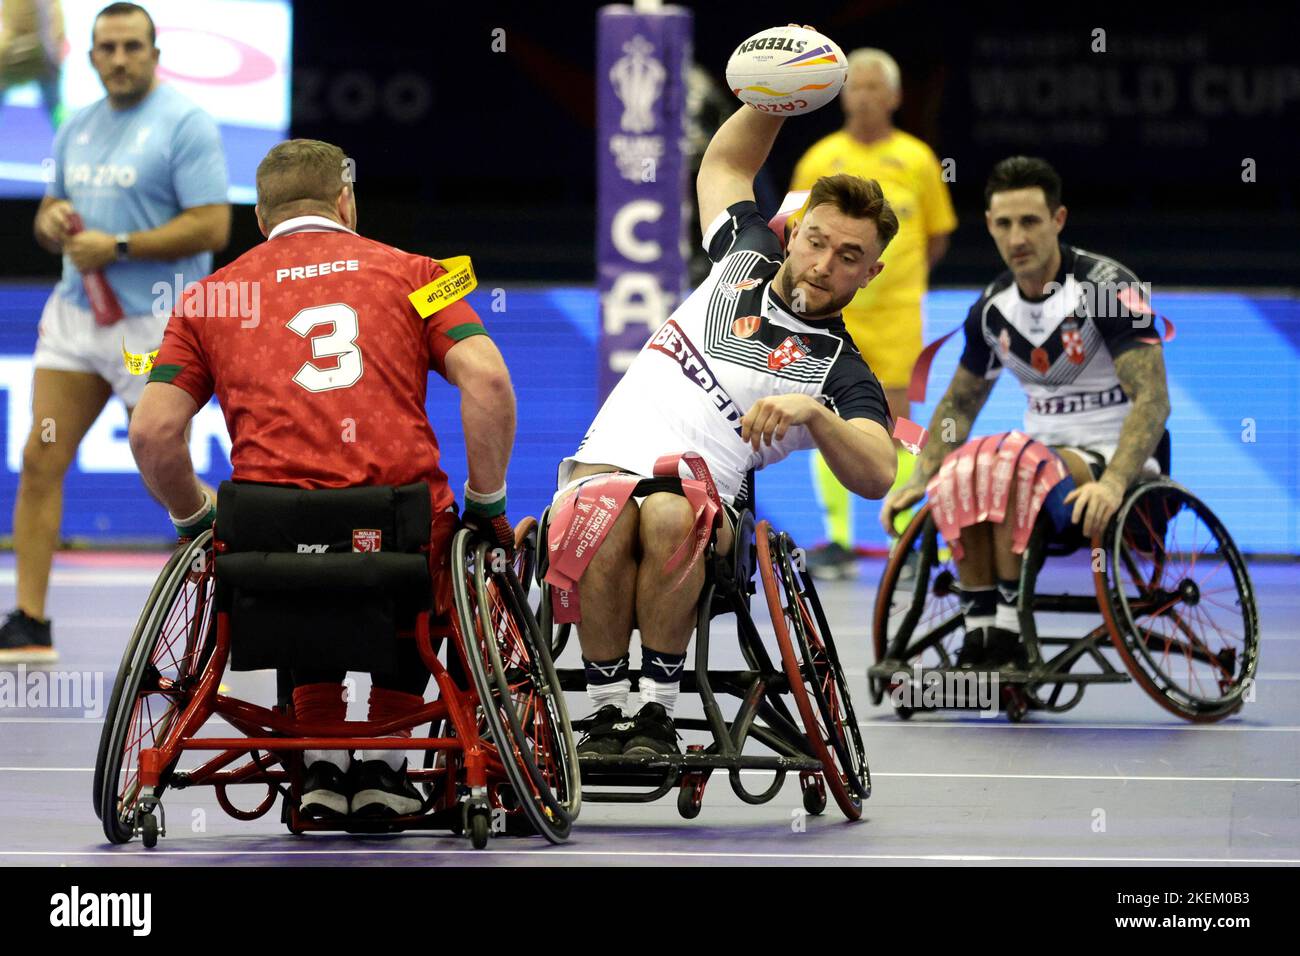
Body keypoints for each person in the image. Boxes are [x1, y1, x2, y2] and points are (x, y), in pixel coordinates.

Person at [127, 138, 518, 818]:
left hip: (266, 542)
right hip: (398, 532)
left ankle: (322, 768)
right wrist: (488, 504)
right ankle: (386, 769)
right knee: (421, 537)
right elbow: (486, 381)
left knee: (292, 555)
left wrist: (196, 523)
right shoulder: (422, 273)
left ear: (260, 217)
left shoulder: (209, 299)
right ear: (347, 201)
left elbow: (153, 434)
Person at [557, 101, 897, 758]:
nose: (826, 263)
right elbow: (726, 163)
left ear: (870, 272)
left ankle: (654, 710)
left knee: (662, 516)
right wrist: (771, 100)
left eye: (849, 256)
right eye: (818, 241)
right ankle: (604, 711)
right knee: (599, 509)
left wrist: (816, 416)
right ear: (793, 232)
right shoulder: (743, 253)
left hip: (700, 501)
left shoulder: (840, 369)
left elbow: (879, 471)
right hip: (604, 462)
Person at [1, 2, 230, 662]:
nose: (121, 58)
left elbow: (213, 224)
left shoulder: (185, 123)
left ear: (154, 54)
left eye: (133, 46)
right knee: (41, 457)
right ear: (92, 55)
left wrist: (121, 246)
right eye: (109, 47)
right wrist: (50, 222)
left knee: (166, 472)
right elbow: (53, 206)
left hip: (153, 324)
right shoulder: (75, 127)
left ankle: (236, 588)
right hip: (76, 318)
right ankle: (29, 623)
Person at [880, 156, 1171, 668]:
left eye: (1031, 222)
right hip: (1036, 461)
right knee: (964, 466)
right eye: (1005, 224)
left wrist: (1114, 483)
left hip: (1117, 464)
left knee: (1011, 460)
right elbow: (958, 405)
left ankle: (1011, 630)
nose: (1018, 237)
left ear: (1058, 221)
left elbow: (1153, 400)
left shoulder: (1105, 288)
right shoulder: (993, 308)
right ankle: (980, 632)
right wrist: (919, 477)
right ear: (990, 225)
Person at [790, 48, 957, 579]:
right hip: (833, 316)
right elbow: (796, 236)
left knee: (899, 419)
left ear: (894, 97)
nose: (862, 97)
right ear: (841, 95)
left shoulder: (919, 159)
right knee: (828, 415)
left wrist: (890, 283)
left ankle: (911, 532)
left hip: (898, 316)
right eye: (853, 87)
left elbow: (937, 235)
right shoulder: (818, 159)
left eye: (872, 88)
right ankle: (837, 540)